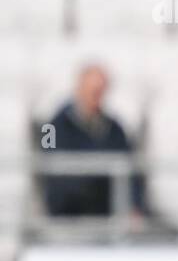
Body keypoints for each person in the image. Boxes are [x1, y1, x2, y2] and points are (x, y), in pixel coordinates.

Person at [41, 64, 150, 219]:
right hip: (67, 217)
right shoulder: (51, 127)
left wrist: (135, 206)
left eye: (101, 91)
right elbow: (48, 168)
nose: (96, 96)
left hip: (107, 217)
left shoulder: (116, 129)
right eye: (92, 91)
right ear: (79, 88)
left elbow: (131, 172)